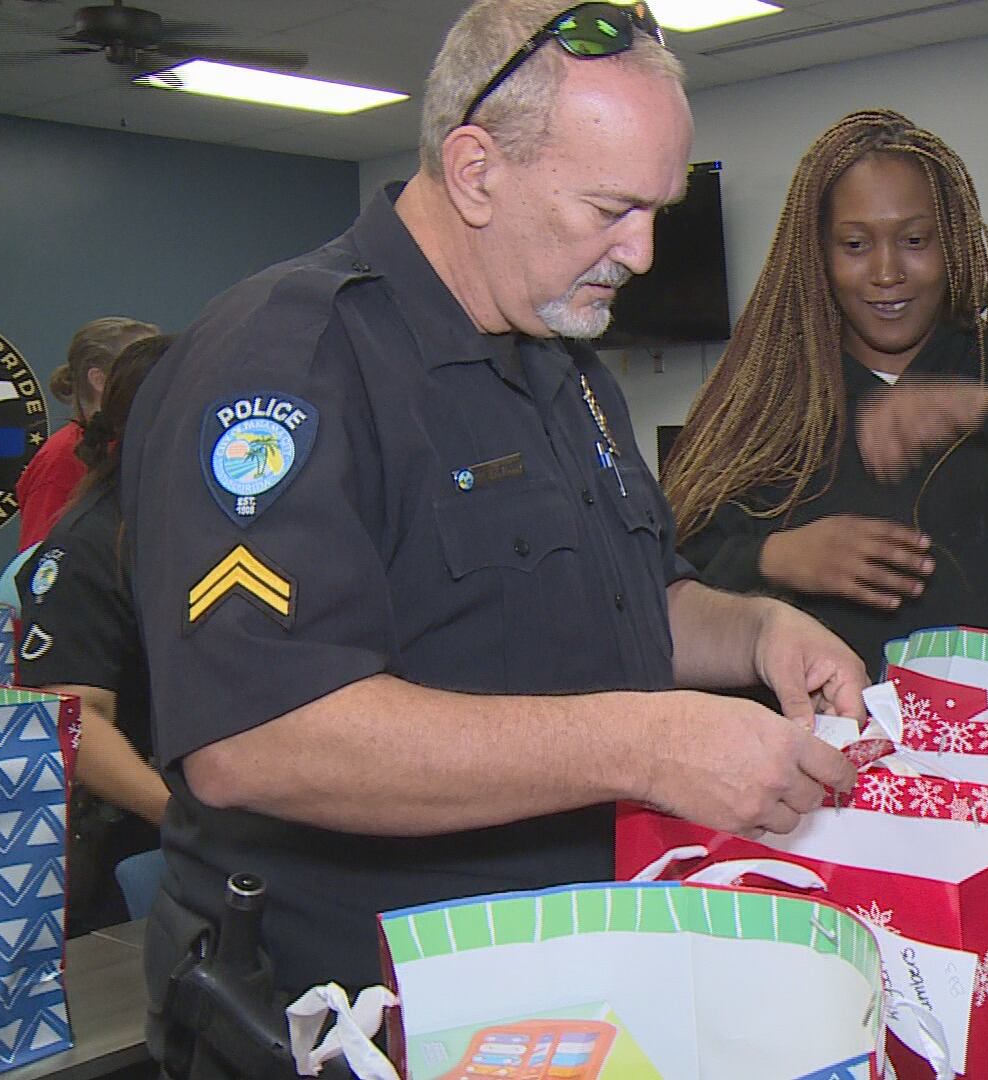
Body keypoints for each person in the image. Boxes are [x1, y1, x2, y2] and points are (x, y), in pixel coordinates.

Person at [121, 0, 864, 1041]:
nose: (642, 253)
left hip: (555, 996)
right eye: (610, 207)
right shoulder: (289, 359)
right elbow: (257, 737)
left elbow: (631, 601)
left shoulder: (565, 367)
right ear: (475, 171)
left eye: (657, 210)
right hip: (357, 1013)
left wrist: (757, 631)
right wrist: (645, 746)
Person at [664, 109, 988, 673]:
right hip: (825, 747)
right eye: (856, 245)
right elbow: (661, 583)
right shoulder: (765, 406)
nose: (887, 272)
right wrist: (771, 558)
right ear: (817, 254)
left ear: (953, 243)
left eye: (914, 240)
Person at [17, 334, 171, 937]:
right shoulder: (89, 542)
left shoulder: (193, 518)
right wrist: (190, 821)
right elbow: (73, 715)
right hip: (131, 839)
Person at [15, 316, 157, 551]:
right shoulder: (60, 458)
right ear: (99, 379)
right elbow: (40, 568)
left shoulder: (140, 443)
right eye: (143, 369)